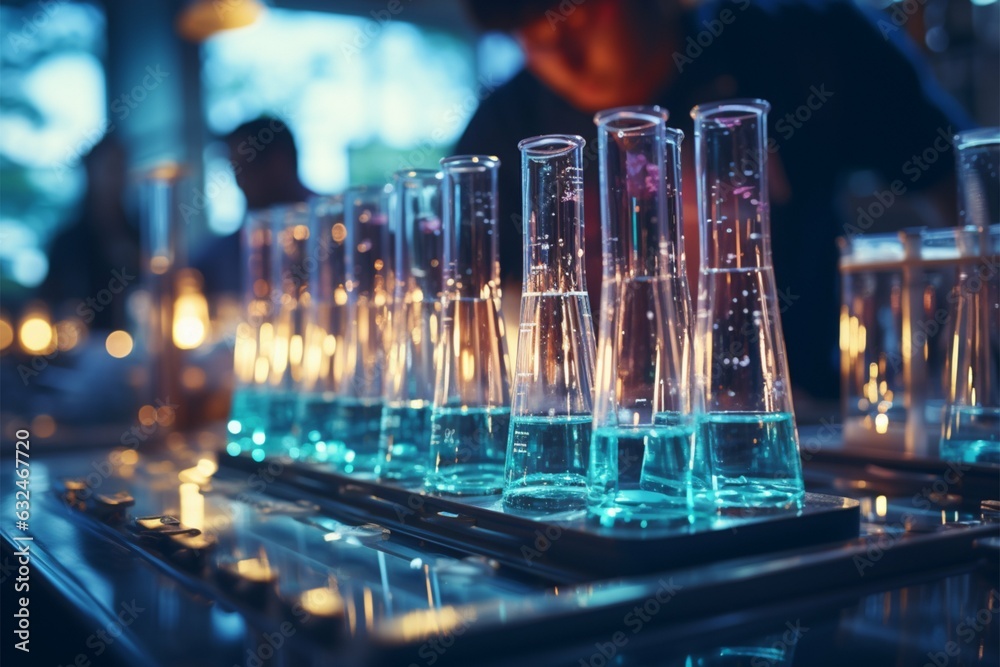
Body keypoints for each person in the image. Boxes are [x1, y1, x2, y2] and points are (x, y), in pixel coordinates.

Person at [455, 0, 974, 404]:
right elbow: (466, 304)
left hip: (802, 424)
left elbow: (967, 183)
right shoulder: (506, 130)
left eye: (575, 20)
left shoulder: (796, 45)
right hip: (603, 437)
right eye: (533, 42)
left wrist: (977, 344)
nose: (565, 60)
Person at [197, 116, 315, 295]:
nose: (240, 182)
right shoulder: (228, 251)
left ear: (278, 163)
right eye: (235, 170)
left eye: (245, 167)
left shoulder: (336, 229)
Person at [42, 136, 139, 330]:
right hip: (81, 351)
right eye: (111, 169)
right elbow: (47, 303)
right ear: (90, 172)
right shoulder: (67, 243)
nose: (119, 178)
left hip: (136, 347)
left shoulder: (141, 237)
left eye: (122, 168)